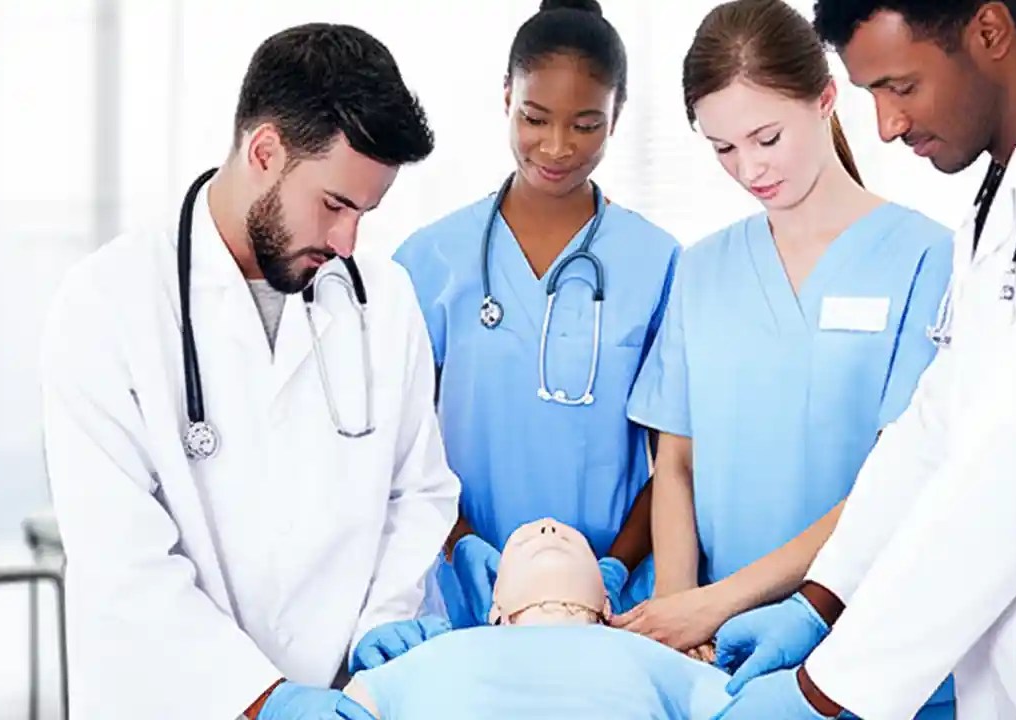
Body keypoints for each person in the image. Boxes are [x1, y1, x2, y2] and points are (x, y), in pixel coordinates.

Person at [710, 1, 1016, 718]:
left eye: (900, 86)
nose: (885, 125)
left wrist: (822, 691)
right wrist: (823, 599)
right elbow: (941, 419)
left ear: (990, 32)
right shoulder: (1008, 190)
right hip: (1015, 637)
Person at [39, 24, 460, 719]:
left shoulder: (382, 301)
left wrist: (381, 629)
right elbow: (121, 561)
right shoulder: (107, 304)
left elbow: (418, 494)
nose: (347, 241)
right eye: (333, 205)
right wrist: (263, 700)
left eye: (366, 213)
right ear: (264, 151)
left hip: (346, 697)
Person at [613, 1, 953, 712]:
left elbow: (906, 475)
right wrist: (681, 617)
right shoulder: (702, 269)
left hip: (869, 639)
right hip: (718, 654)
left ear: (826, 99)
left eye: (766, 137)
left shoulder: (924, 258)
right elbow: (676, 462)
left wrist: (720, 602)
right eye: (723, 148)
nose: (749, 168)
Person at [392, 0, 679, 630]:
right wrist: (459, 543)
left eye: (585, 124)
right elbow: (398, 446)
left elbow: (678, 461)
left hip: (611, 601)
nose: (556, 146)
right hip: (461, 595)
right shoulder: (430, 259)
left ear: (617, 116)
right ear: (505, 98)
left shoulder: (659, 265)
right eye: (534, 117)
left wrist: (616, 569)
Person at [343, 518, 732, 719]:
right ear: (494, 609)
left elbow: (750, 707)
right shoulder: (427, 655)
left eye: (572, 540)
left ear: (607, 603)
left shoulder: (655, 657)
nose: (547, 527)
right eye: (524, 540)